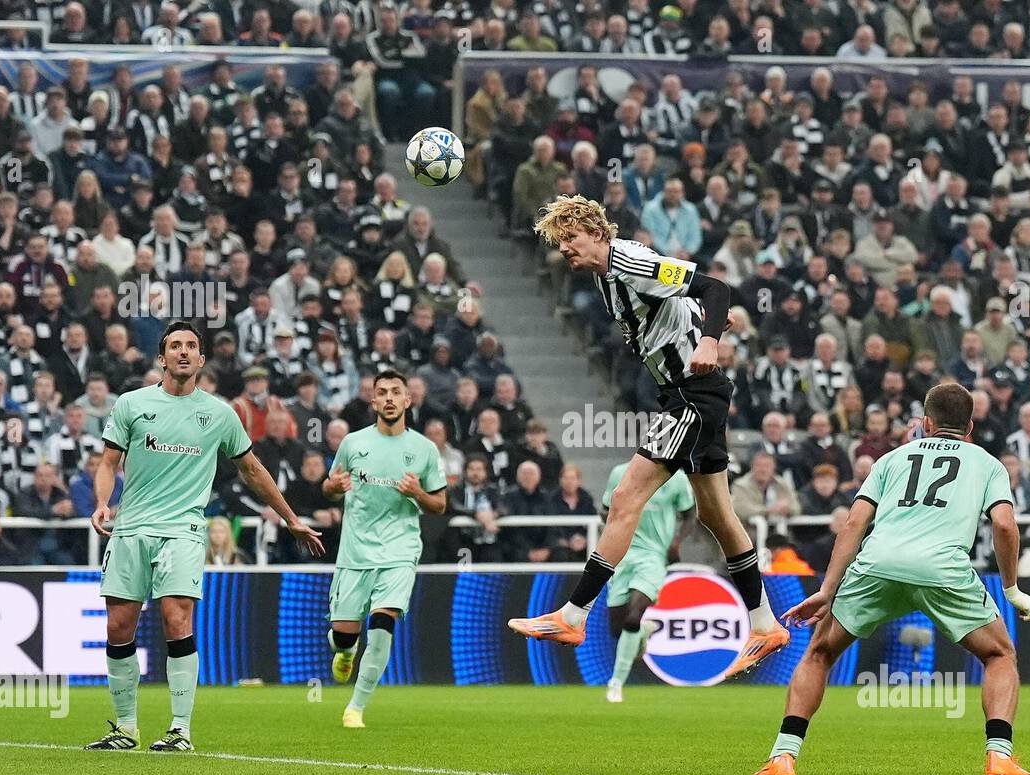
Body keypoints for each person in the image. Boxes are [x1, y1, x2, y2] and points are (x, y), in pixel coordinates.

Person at [510, 196, 788, 678]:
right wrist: (698, 323)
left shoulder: (629, 259)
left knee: (625, 496)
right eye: (560, 245)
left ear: (595, 231)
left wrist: (708, 338)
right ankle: (764, 624)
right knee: (717, 516)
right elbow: (677, 304)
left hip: (692, 396)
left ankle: (573, 615)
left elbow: (715, 286)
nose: (565, 252)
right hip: (688, 394)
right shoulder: (604, 277)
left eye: (569, 240)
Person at [754, 383, 1030, 775]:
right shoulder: (987, 463)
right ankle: (999, 756)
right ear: (971, 426)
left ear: (926, 422)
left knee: (819, 653)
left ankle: (783, 757)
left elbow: (855, 522)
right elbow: (1005, 525)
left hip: (878, 564)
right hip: (942, 570)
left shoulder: (891, 458)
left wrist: (826, 590)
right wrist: (1011, 589)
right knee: (999, 655)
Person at [85, 321, 324, 754]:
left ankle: (180, 729)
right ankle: (126, 727)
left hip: (184, 530)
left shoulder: (218, 413)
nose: (182, 352)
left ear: (200, 359)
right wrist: (103, 502)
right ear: (161, 358)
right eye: (174, 345)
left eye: (190, 346)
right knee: (119, 627)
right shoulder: (132, 404)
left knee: (177, 620)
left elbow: (252, 471)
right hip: (133, 528)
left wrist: (290, 518)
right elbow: (108, 462)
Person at [321, 370, 447, 729]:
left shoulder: (423, 449)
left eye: (396, 392)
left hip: (400, 550)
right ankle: (344, 649)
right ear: (373, 401)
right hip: (355, 552)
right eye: (382, 393)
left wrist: (418, 494)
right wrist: (333, 486)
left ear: (408, 400)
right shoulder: (352, 443)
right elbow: (329, 488)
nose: (389, 398)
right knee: (345, 633)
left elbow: (439, 504)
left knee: (382, 623)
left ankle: (356, 707)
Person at [601, 460, 695, 703]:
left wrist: (676, 542)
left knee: (633, 615)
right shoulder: (619, 473)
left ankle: (616, 683)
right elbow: (605, 509)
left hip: (654, 556)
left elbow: (690, 513)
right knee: (617, 628)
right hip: (623, 553)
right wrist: (616, 529)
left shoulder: (676, 477)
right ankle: (644, 631)